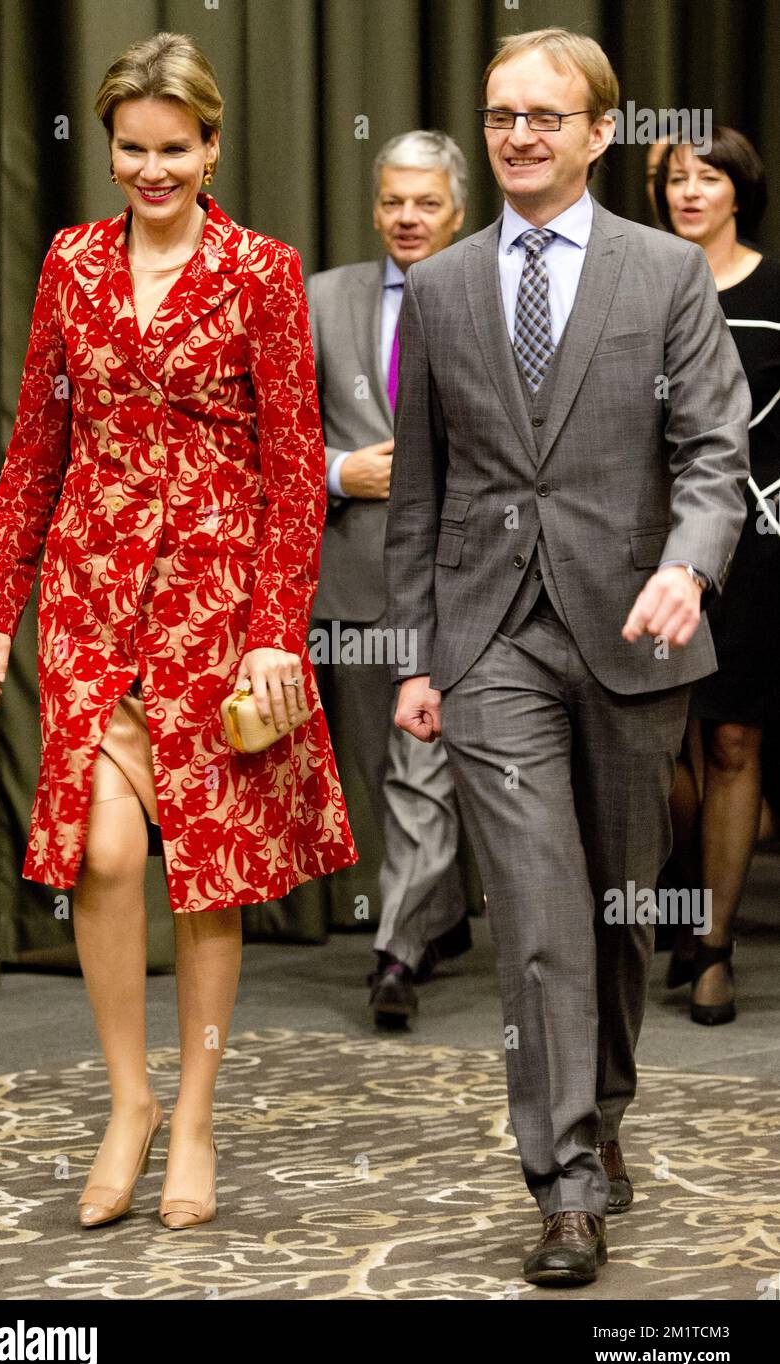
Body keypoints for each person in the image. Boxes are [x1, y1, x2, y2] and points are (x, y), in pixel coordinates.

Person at [0, 30, 357, 1231]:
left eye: (172, 148)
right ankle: (127, 1101)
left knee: (208, 875)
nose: (150, 169)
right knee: (106, 853)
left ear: (213, 142)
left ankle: (193, 1115)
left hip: (215, 608)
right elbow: (37, 442)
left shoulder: (262, 271)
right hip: (88, 593)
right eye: (130, 149)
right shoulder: (73, 262)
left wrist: (277, 628)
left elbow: (296, 467)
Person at [383, 26, 750, 1287]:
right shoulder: (438, 290)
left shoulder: (665, 276)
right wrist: (421, 656)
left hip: (638, 637)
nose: (519, 135)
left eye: (546, 116)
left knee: (612, 910)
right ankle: (565, 1178)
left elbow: (715, 454)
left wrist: (687, 567)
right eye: (501, 115)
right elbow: (420, 494)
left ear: (602, 132)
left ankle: (606, 1101)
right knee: (539, 912)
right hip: (491, 641)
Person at [306, 130, 475, 1029]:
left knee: (423, 762)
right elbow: (269, 442)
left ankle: (396, 950)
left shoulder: (490, 296)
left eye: (427, 204)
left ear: (458, 211)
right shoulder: (320, 300)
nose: (407, 219)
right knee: (384, 765)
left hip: (464, 578)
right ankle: (440, 916)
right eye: (393, 203)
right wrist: (341, 472)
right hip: (354, 581)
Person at [655, 128, 780, 1024]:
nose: (690, 192)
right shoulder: (645, 280)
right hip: (655, 550)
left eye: (708, 178)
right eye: (674, 179)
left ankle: (714, 948)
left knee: (734, 742)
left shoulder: (775, 288)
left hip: (761, 549)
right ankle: (675, 911)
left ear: (741, 190)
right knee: (663, 748)